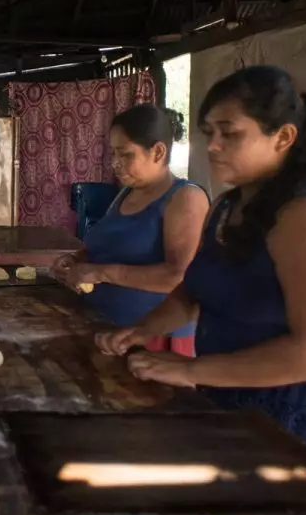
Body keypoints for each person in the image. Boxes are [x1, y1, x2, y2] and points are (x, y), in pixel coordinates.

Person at [97, 65, 306, 476]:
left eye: (229, 133)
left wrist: (190, 369)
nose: (213, 146)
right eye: (208, 132)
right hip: (237, 401)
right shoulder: (226, 208)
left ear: (283, 137)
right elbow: (192, 292)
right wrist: (144, 330)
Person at [53, 105, 209, 355]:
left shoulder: (184, 198)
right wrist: (75, 262)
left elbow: (179, 276)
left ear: (158, 152)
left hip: (154, 341)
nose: (115, 163)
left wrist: (101, 273)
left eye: (125, 154)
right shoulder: (126, 193)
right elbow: (106, 247)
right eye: (113, 153)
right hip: (106, 330)